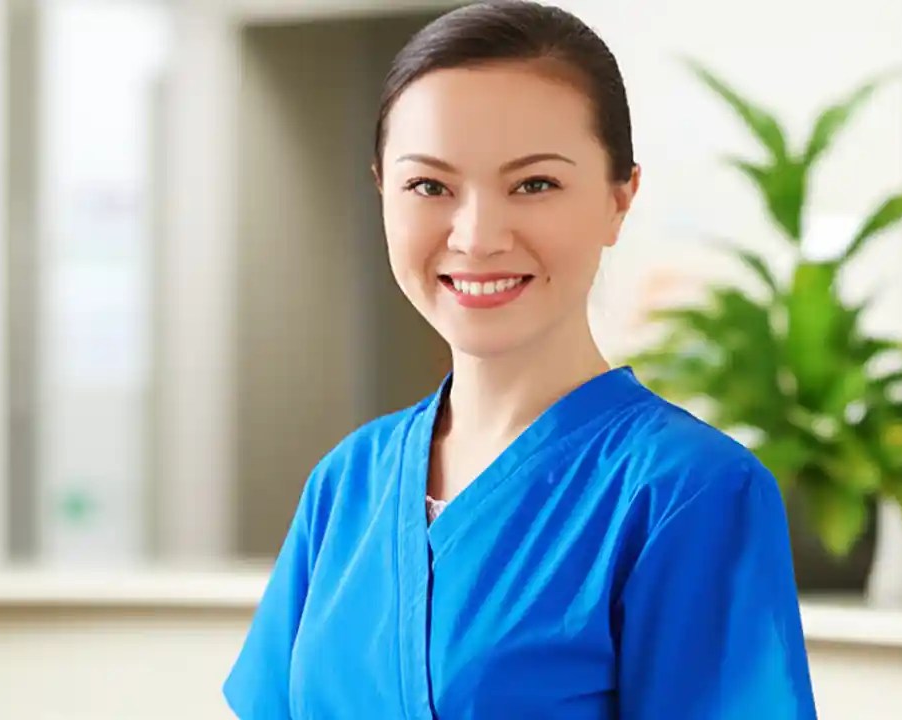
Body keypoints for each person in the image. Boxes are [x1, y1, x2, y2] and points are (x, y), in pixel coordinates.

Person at [223, 1, 817, 718]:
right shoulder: (349, 481)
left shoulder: (688, 493)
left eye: (534, 184)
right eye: (429, 186)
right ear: (383, 190)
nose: (476, 236)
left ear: (619, 199)